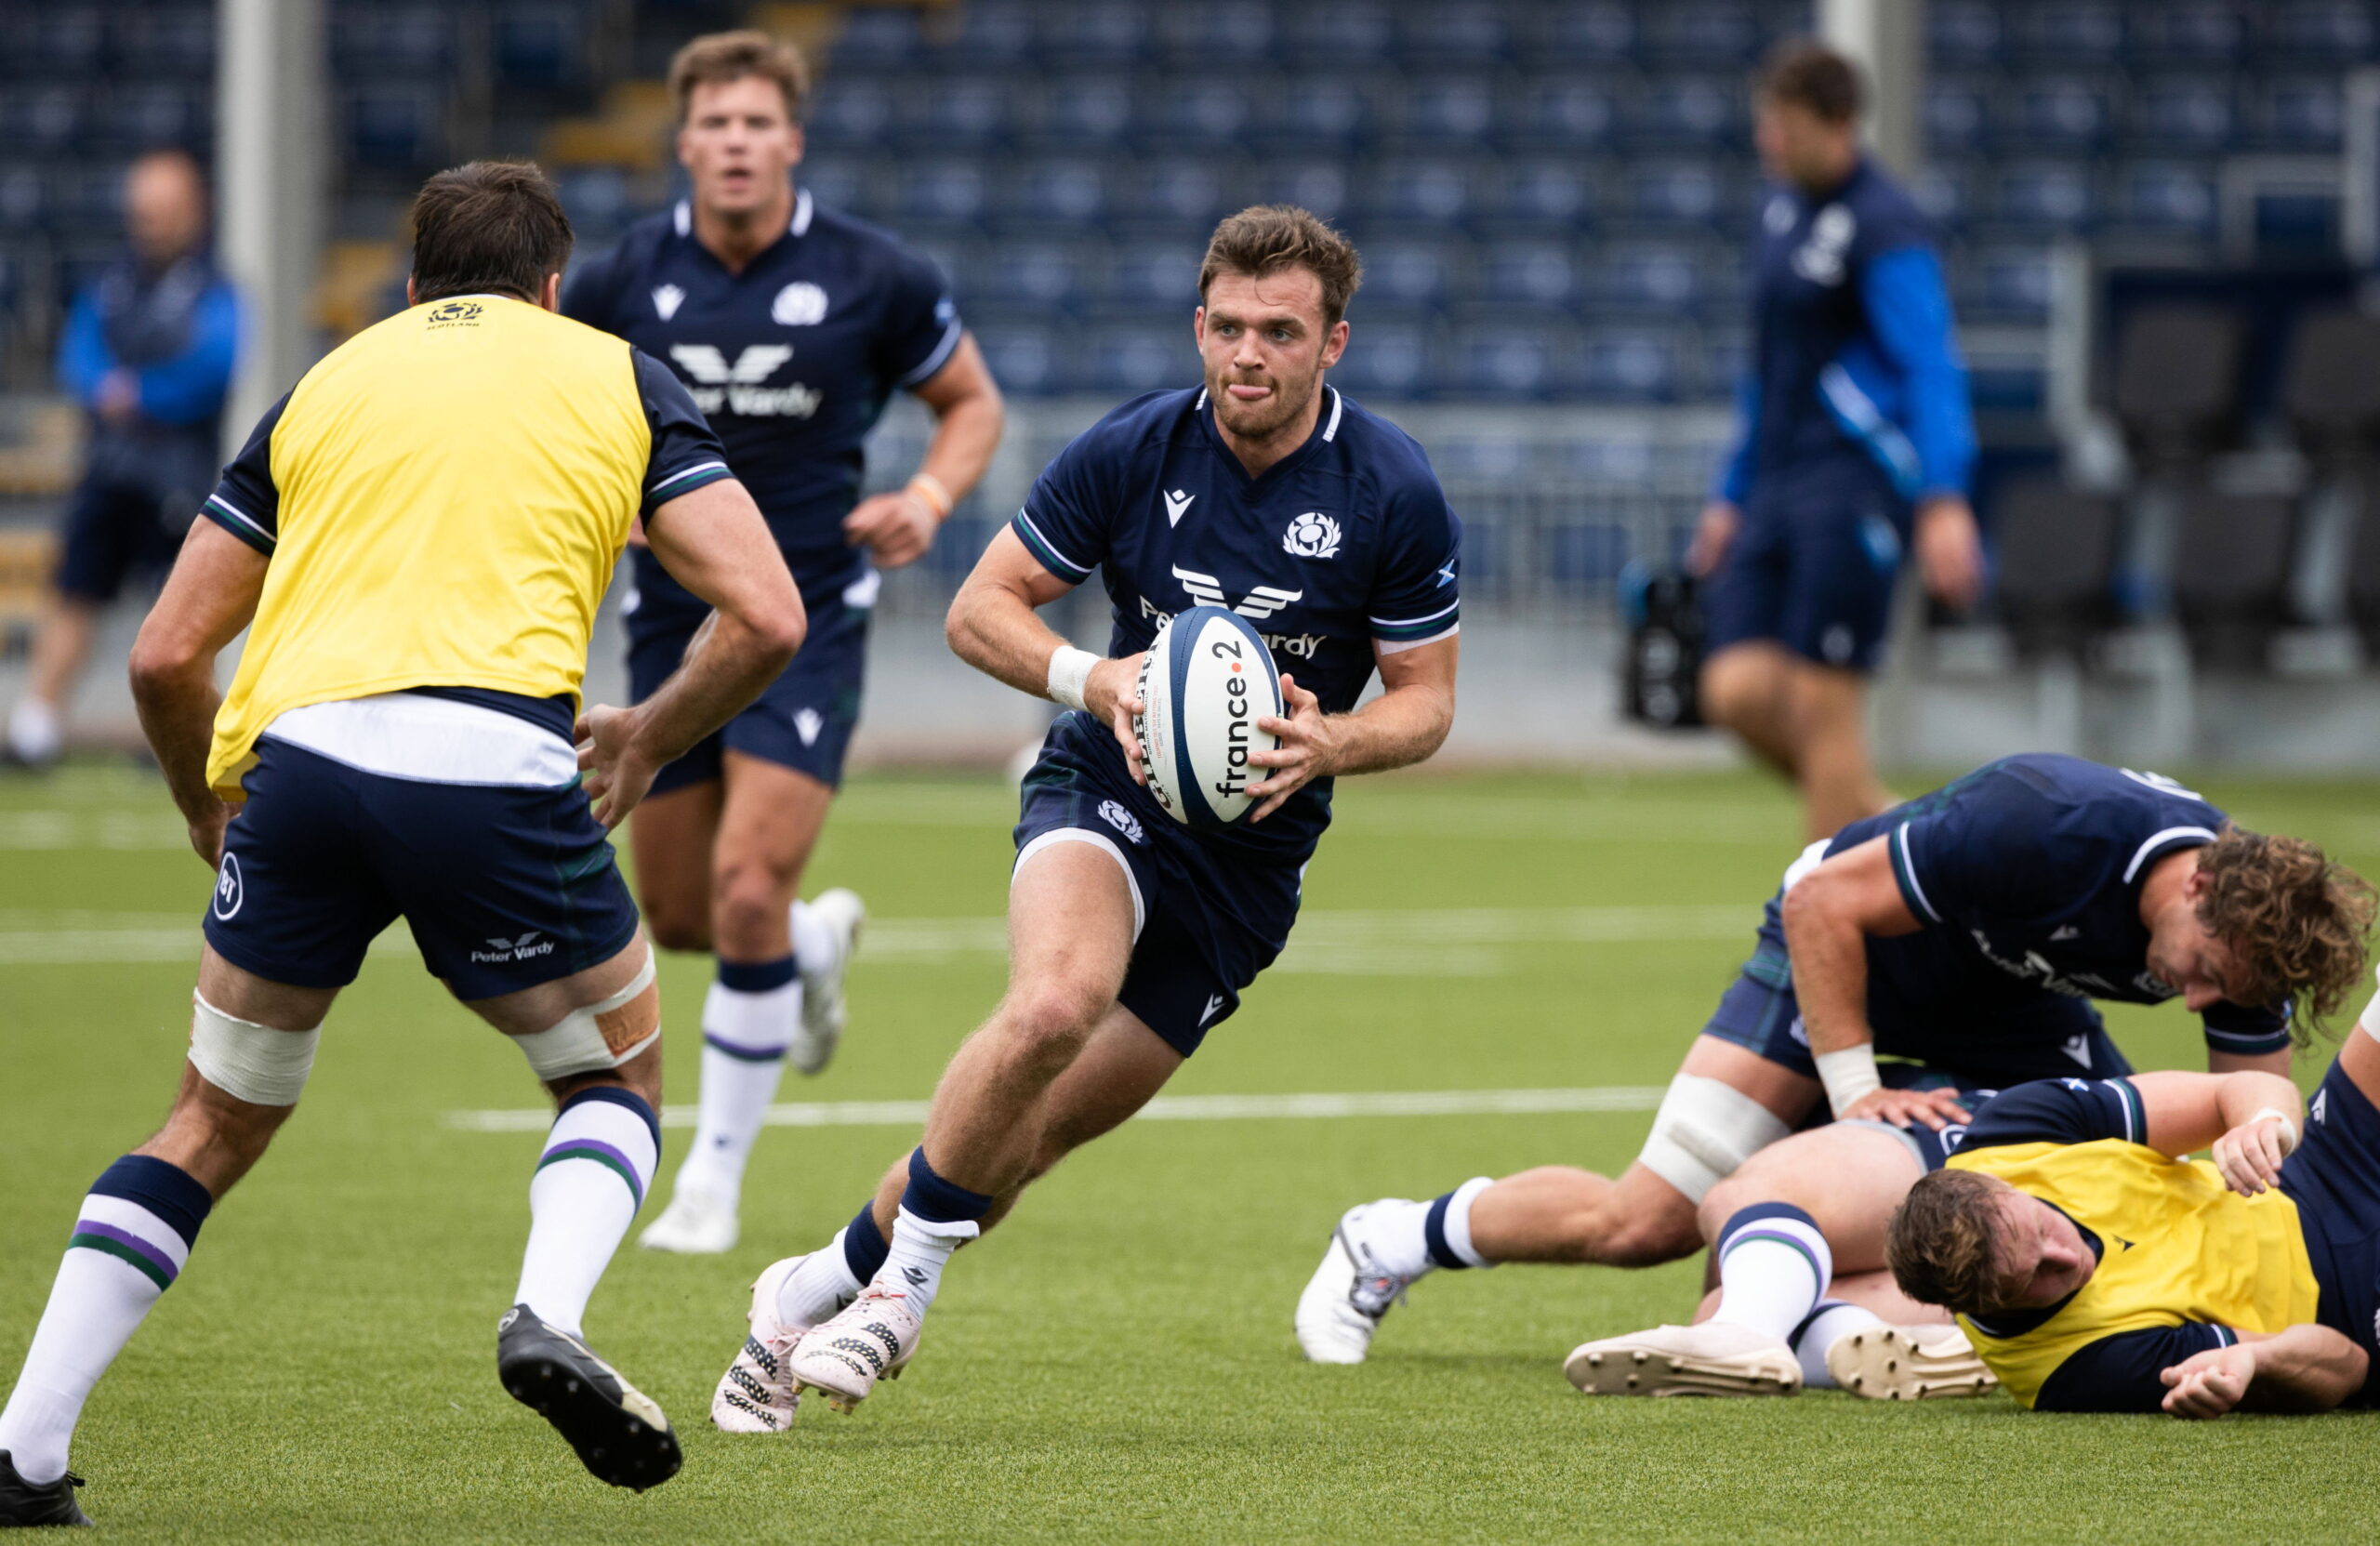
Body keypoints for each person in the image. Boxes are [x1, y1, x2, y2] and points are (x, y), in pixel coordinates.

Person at [0, 161, 803, 1526]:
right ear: (554, 288)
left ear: (415, 286)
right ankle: (546, 1314)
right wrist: (656, 732)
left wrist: (210, 805)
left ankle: (22, 1449)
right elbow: (769, 614)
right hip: (490, 761)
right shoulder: (615, 371)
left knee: (211, 1119)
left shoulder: (330, 382)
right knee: (613, 1076)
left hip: (301, 772)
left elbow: (161, 652)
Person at [706, 205, 1462, 1432]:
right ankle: (900, 1294)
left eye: (1281, 330)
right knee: (1053, 1003)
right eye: (1227, 326)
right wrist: (1095, 678)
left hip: (1246, 874)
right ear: (1198, 325)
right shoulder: (1137, 450)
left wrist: (1332, 738)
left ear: (1335, 343)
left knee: (1019, 1138)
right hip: (1101, 787)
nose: (1248, 354)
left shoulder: (1393, 489)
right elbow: (978, 606)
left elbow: (1426, 703)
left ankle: (806, 1285)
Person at [1297, 755, 2376, 1365]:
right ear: (2192, 890)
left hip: (2002, 1007)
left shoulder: (2249, 935)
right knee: (1646, 1222)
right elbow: (1824, 900)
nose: (2196, 999)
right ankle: (1393, 1236)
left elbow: (2260, 1102)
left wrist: (2258, 1144)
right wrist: (1860, 1092)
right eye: (2198, 973)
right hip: (1842, 956)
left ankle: (1819, 1328)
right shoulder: (2046, 823)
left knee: (2015, 1220)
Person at [562, 31, 1005, 1255]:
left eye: (760, 124)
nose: (738, 143)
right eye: (716, 124)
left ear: (791, 142)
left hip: (805, 613)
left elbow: (970, 399)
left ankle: (711, 1178)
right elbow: (567, 417)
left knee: (748, 883)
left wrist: (923, 500)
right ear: (685, 140)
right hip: (669, 629)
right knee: (690, 912)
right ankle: (814, 944)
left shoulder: (875, 273)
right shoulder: (619, 281)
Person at [1686, 41, 1984, 843]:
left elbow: (1931, 363)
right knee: (1733, 688)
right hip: (1778, 480)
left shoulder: (1887, 224)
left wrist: (1945, 495)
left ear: (1840, 123)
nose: (1769, 142)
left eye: (1785, 126)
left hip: (1855, 477)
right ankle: (1905, 838)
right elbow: (1767, 370)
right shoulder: (1780, 211)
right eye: (1766, 124)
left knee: (1824, 706)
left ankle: (1816, 925)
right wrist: (1731, 492)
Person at [1886, 1014, 2380, 1416]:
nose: (2066, 1256)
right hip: (2349, 1304)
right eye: (2033, 1277)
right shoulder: (2072, 1368)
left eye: (2040, 1225)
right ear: (1980, 1309)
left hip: (2318, 1171)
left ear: (2000, 1184)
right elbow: (2346, 1364)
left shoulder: (2009, 1136)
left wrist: (2265, 1127)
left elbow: (2241, 1088)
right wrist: (2259, 1359)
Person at [5, 148, 241, 770]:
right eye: (143, 213)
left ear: (193, 211)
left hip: (176, 476)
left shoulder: (214, 289)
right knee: (74, 591)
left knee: (177, 605)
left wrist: (139, 394)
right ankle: (37, 726)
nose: (150, 225)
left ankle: (172, 736)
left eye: (162, 212)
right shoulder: (113, 283)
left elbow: (213, 365)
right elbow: (78, 352)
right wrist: (104, 386)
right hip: (108, 471)